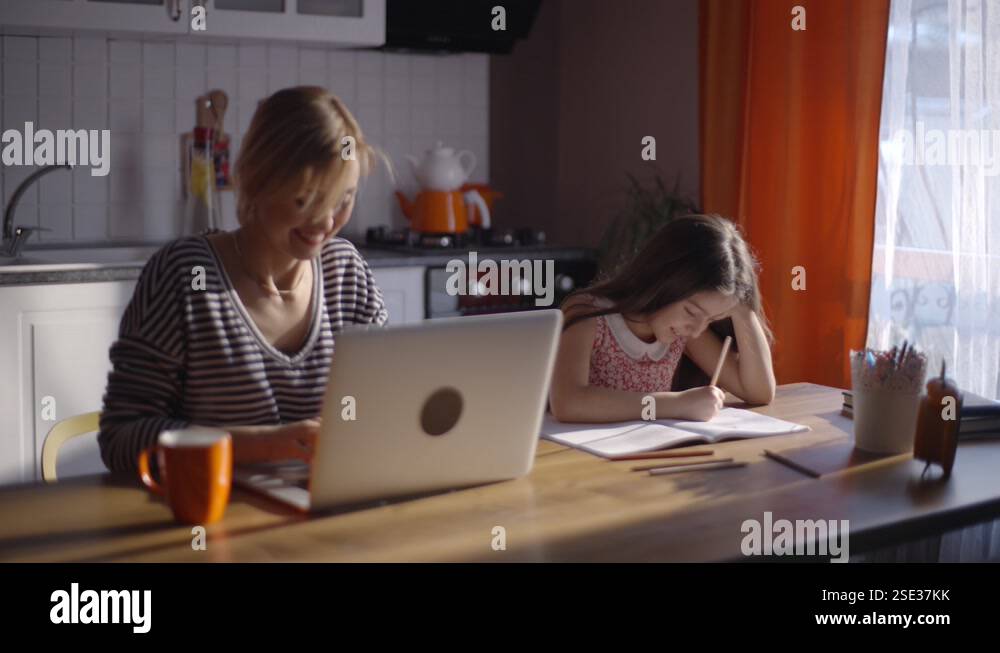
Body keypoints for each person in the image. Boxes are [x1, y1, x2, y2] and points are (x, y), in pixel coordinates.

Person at [98, 86, 387, 473]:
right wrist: (261, 445)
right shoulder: (185, 276)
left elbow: (385, 405)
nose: (325, 222)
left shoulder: (347, 274)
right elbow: (122, 439)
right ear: (254, 178)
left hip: (324, 514)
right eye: (306, 200)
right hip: (210, 521)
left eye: (343, 199)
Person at [549, 214, 776, 423]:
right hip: (583, 459)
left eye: (710, 319)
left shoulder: (681, 332)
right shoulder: (588, 314)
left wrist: (741, 306)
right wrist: (674, 404)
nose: (697, 330)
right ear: (662, 279)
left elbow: (758, 392)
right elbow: (568, 403)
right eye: (692, 312)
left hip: (647, 455)